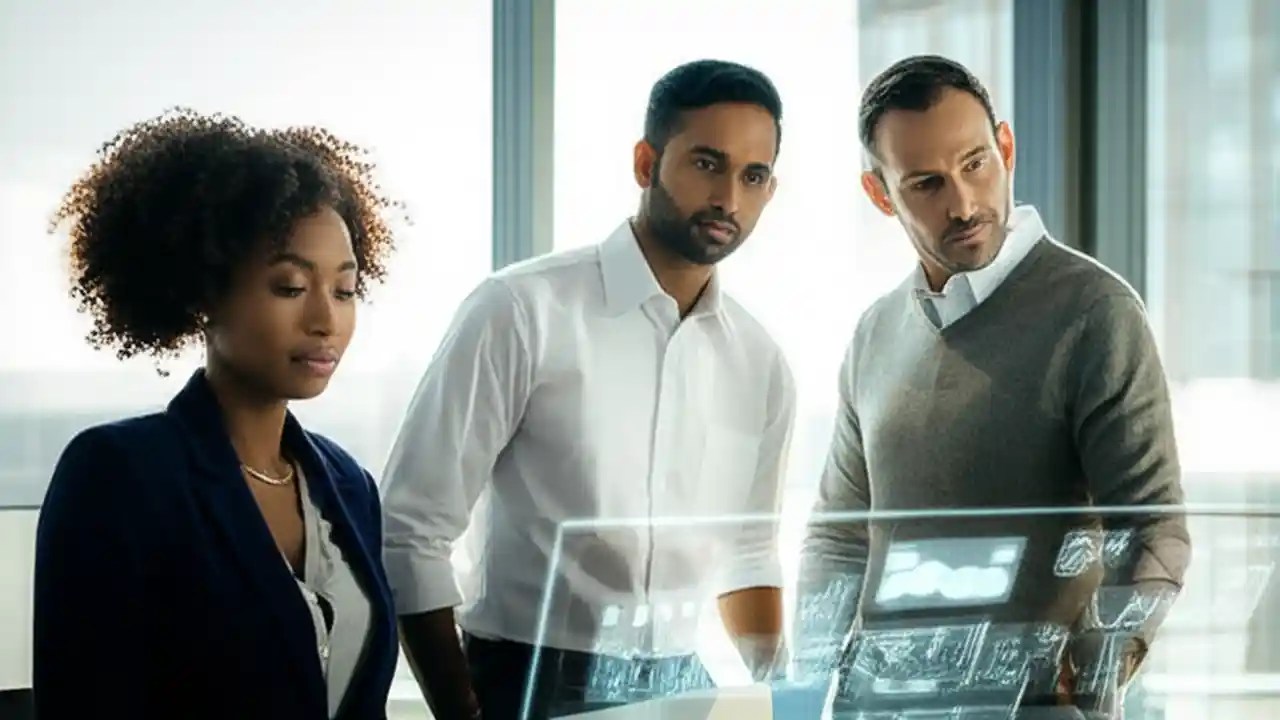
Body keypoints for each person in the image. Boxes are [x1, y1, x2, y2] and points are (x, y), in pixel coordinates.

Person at [381, 59, 795, 720]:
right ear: (645, 162)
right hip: (525, 679)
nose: (729, 199)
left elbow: (747, 552)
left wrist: (790, 697)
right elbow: (410, 530)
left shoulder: (762, 361)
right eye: (707, 164)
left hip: (683, 689)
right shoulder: (520, 309)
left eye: (753, 176)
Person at [799, 55, 1191, 711]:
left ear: (1004, 146)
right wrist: (808, 690)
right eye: (926, 183)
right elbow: (838, 537)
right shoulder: (874, 333)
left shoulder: (1096, 312)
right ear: (879, 192)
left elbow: (1155, 528)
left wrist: (1094, 670)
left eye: (975, 163)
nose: (963, 203)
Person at [33, 108, 404, 720]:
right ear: (203, 294)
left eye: (344, 290)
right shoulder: (119, 475)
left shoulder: (349, 486)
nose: (326, 320)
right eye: (289, 287)